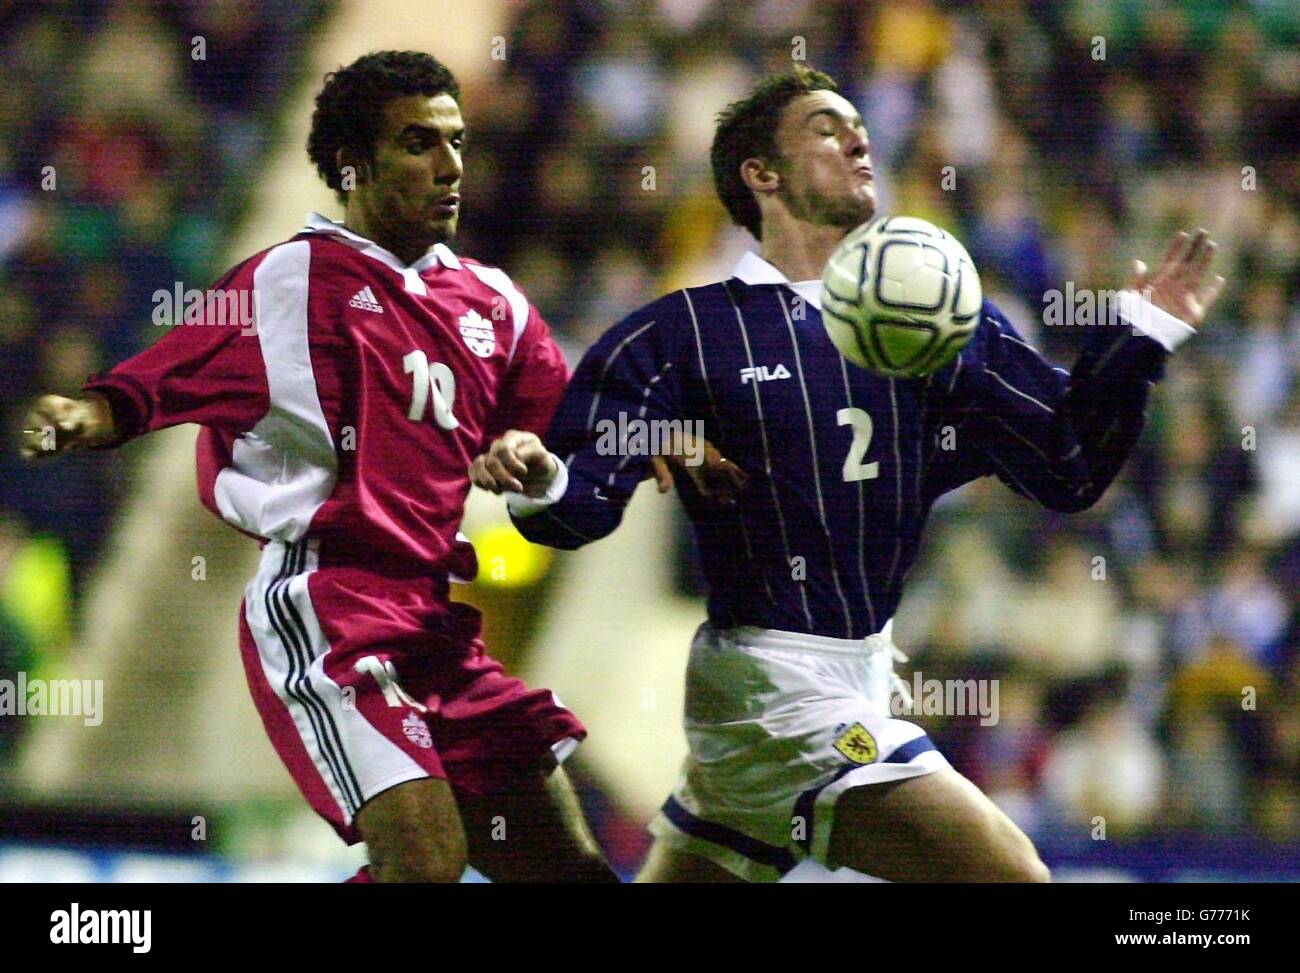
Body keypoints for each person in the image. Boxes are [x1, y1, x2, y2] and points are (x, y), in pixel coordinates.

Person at [469, 65, 1224, 882]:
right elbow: (577, 507)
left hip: (860, 673)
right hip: (772, 682)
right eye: (826, 127)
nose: (858, 136)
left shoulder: (938, 317)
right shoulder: (682, 335)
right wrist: (542, 477)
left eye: (859, 124)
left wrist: (1139, 339)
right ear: (762, 174)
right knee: (1011, 874)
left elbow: (1067, 466)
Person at [21, 51, 615, 884]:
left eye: (456, 141)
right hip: (328, 607)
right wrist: (84, 416)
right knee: (426, 862)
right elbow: (155, 383)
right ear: (352, 164)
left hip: (437, 625)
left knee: (570, 872)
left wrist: (553, 462)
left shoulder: (495, 304)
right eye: (417, 143)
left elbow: (568, 433)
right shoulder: (287, 282)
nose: (448, 166)